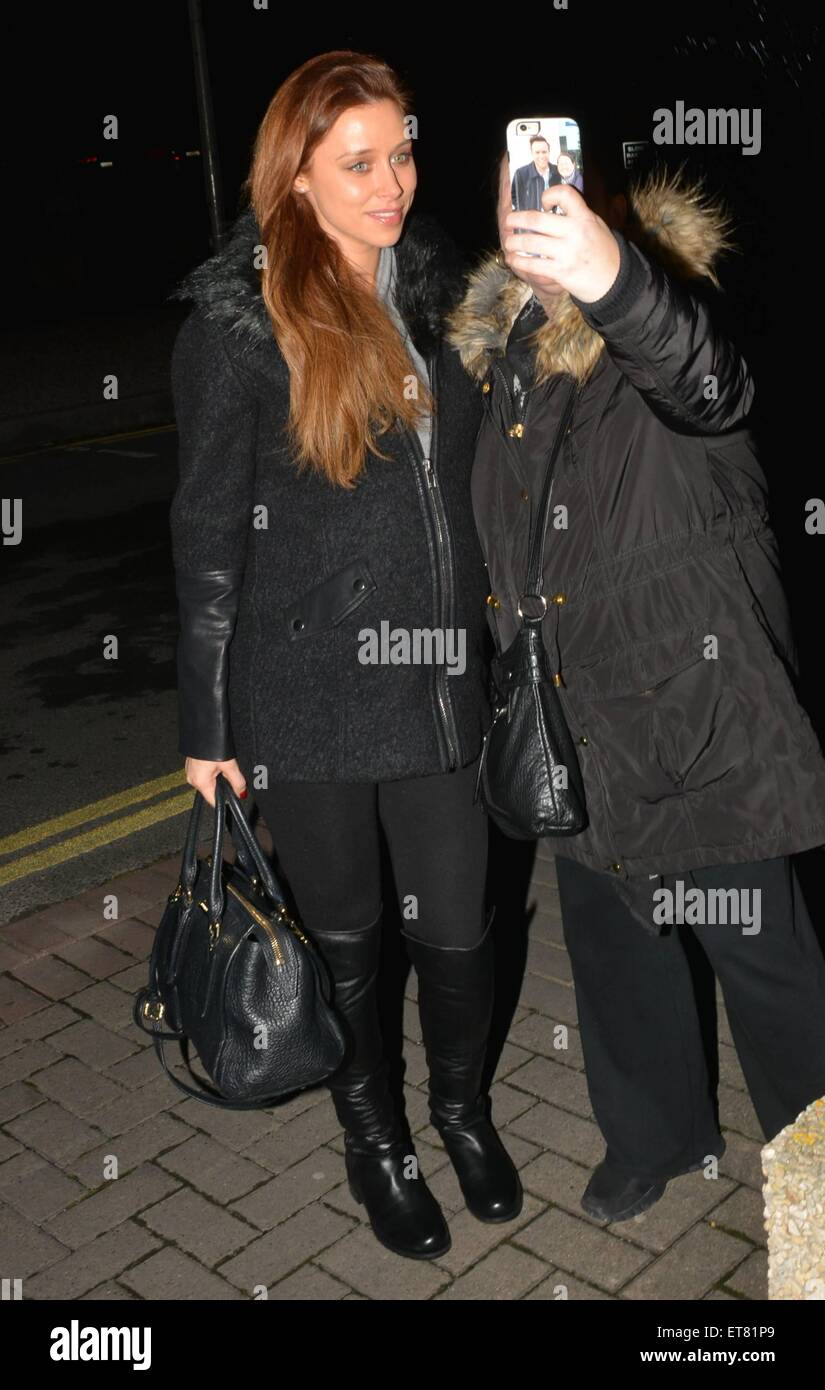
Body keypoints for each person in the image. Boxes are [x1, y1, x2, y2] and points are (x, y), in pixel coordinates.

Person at [168, 50, 521, 1260]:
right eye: (358, 162)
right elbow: (208, 536)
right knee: (352, 947)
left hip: (436, 686)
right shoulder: (243, 328)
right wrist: (207, 728)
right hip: (308, 695)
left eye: (402, 152)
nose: (393, 184)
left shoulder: (435, 305)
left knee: (463, 930)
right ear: (297, 180)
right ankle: (376, 1142)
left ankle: (462, 1112)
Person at [446, 138, 825, 1222]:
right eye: (518, 185)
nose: (536, 204)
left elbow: (711, 384)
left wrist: (613, 275)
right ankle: (652, 1134)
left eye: (560, 184)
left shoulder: (666, 313)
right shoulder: (500, 355)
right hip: (577, 721)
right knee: (613, 948)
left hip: (702, 716)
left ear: (602, 204)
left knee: (767, 965)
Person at [511, 135, 561, 212]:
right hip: (532, 221)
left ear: (549, 152)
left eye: (544, 152)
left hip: (554, 220)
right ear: (532, 153)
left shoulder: (558, 171)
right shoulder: (520, 173)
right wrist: (525, 213)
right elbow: (514, 197)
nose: (541, 156)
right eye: (537, 152)